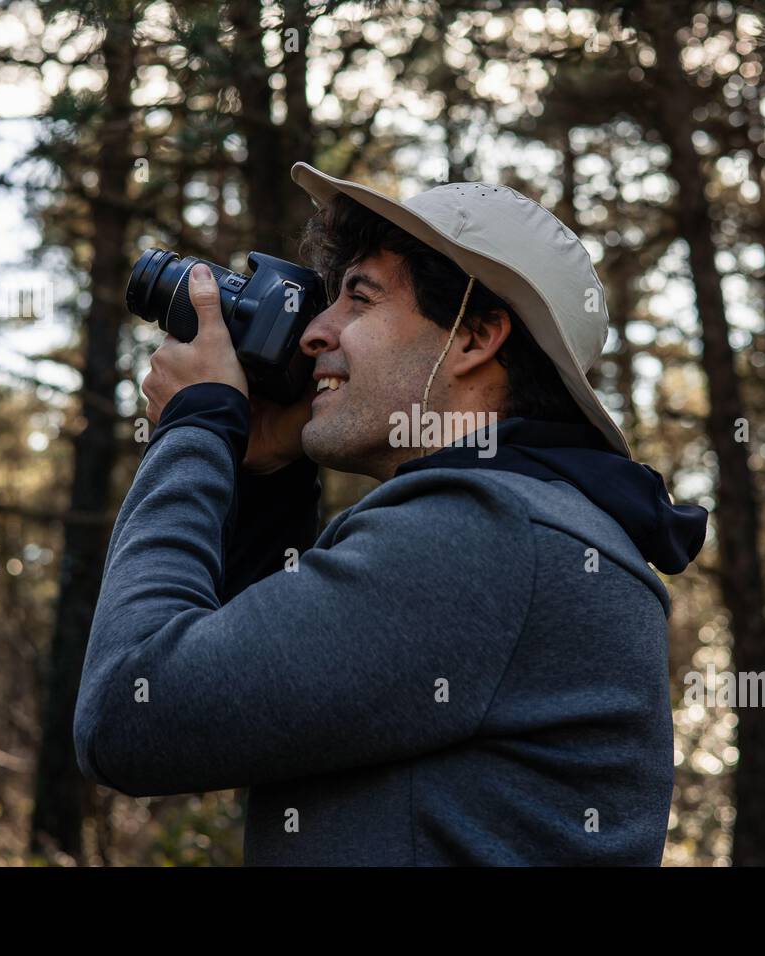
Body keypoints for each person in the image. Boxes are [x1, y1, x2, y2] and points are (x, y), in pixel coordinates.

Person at [72, 162, 708, 865]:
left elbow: (129, 715)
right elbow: (245, 709)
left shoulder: (486, 532)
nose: (315, 331)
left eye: (359, 299)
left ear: (474, 337)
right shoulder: (536, 523)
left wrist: (192, 428)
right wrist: (268, 478)